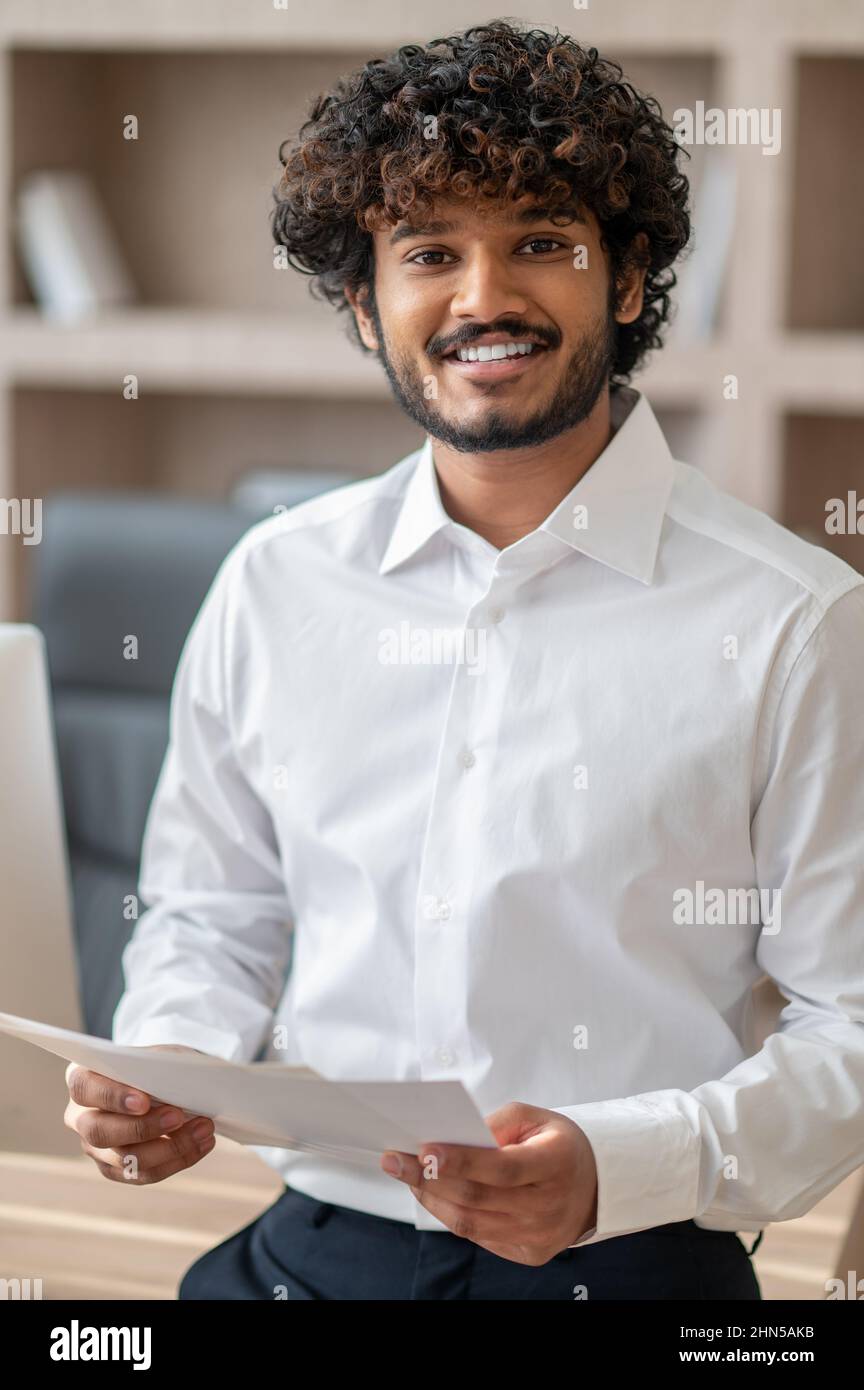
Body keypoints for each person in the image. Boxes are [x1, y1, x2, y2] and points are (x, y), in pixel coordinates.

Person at [64, 20, 864, 1301]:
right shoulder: (275, 584)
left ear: (628, 276)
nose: (483, 297)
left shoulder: (797, 621)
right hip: (317, 1240)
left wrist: (623, 1165)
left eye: (540, 243)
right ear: (363, 303)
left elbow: (855, 1024)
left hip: (629, 1253)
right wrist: (170, 1060)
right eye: (429, 254)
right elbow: (214, 917)